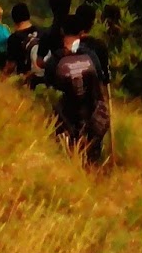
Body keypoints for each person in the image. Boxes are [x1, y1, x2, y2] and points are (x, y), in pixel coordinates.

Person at [43, 11, 111, 164]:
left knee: (66, 158)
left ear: (62, 31)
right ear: (81, 32)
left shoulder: (55, 60)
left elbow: (50, 90)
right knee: (92, 159)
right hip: (91, 118)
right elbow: (100, 82)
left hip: (65, 119)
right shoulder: (92, 56)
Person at [3, 3, 44, 81]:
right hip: (44, 77)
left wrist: (2, 78)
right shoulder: (41, 32)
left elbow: (11, 65)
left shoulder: (14, 38)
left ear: (14, 19)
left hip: (26, 79)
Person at [74, 4, 113, 85]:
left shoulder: (67, 45)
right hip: (93, 93)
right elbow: (105, 76)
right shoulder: (99, 45)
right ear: (93, 22)